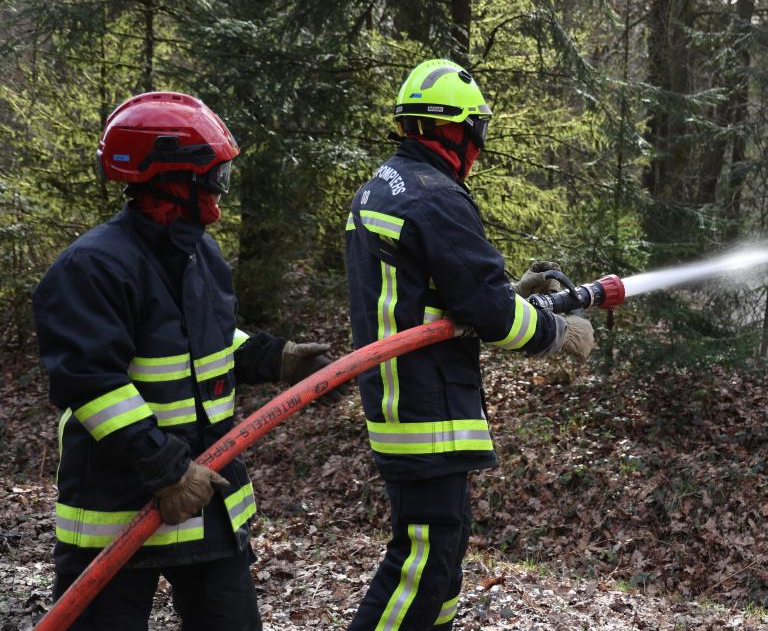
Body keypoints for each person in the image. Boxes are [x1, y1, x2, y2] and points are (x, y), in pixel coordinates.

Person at [33, 91, 340, 630]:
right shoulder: (92, 266)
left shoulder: (200, 254)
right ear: (174, 178)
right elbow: (90, 383)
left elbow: (210, 342)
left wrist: (279, 359)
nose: (220, 188)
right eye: (213, 174)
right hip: (120, 512)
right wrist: (167, 470)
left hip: (206, 509)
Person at [344, 59, 595, 630]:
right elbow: (489, 315)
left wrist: (506, 293)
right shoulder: (435, 196)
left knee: (444, 560)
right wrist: (559, 331)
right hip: (426, 407)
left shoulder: (388, 183)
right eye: (475, 128)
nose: (479, 143)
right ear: (454, 130)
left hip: (401, 400)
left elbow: (444, 289)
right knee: (422, 565)